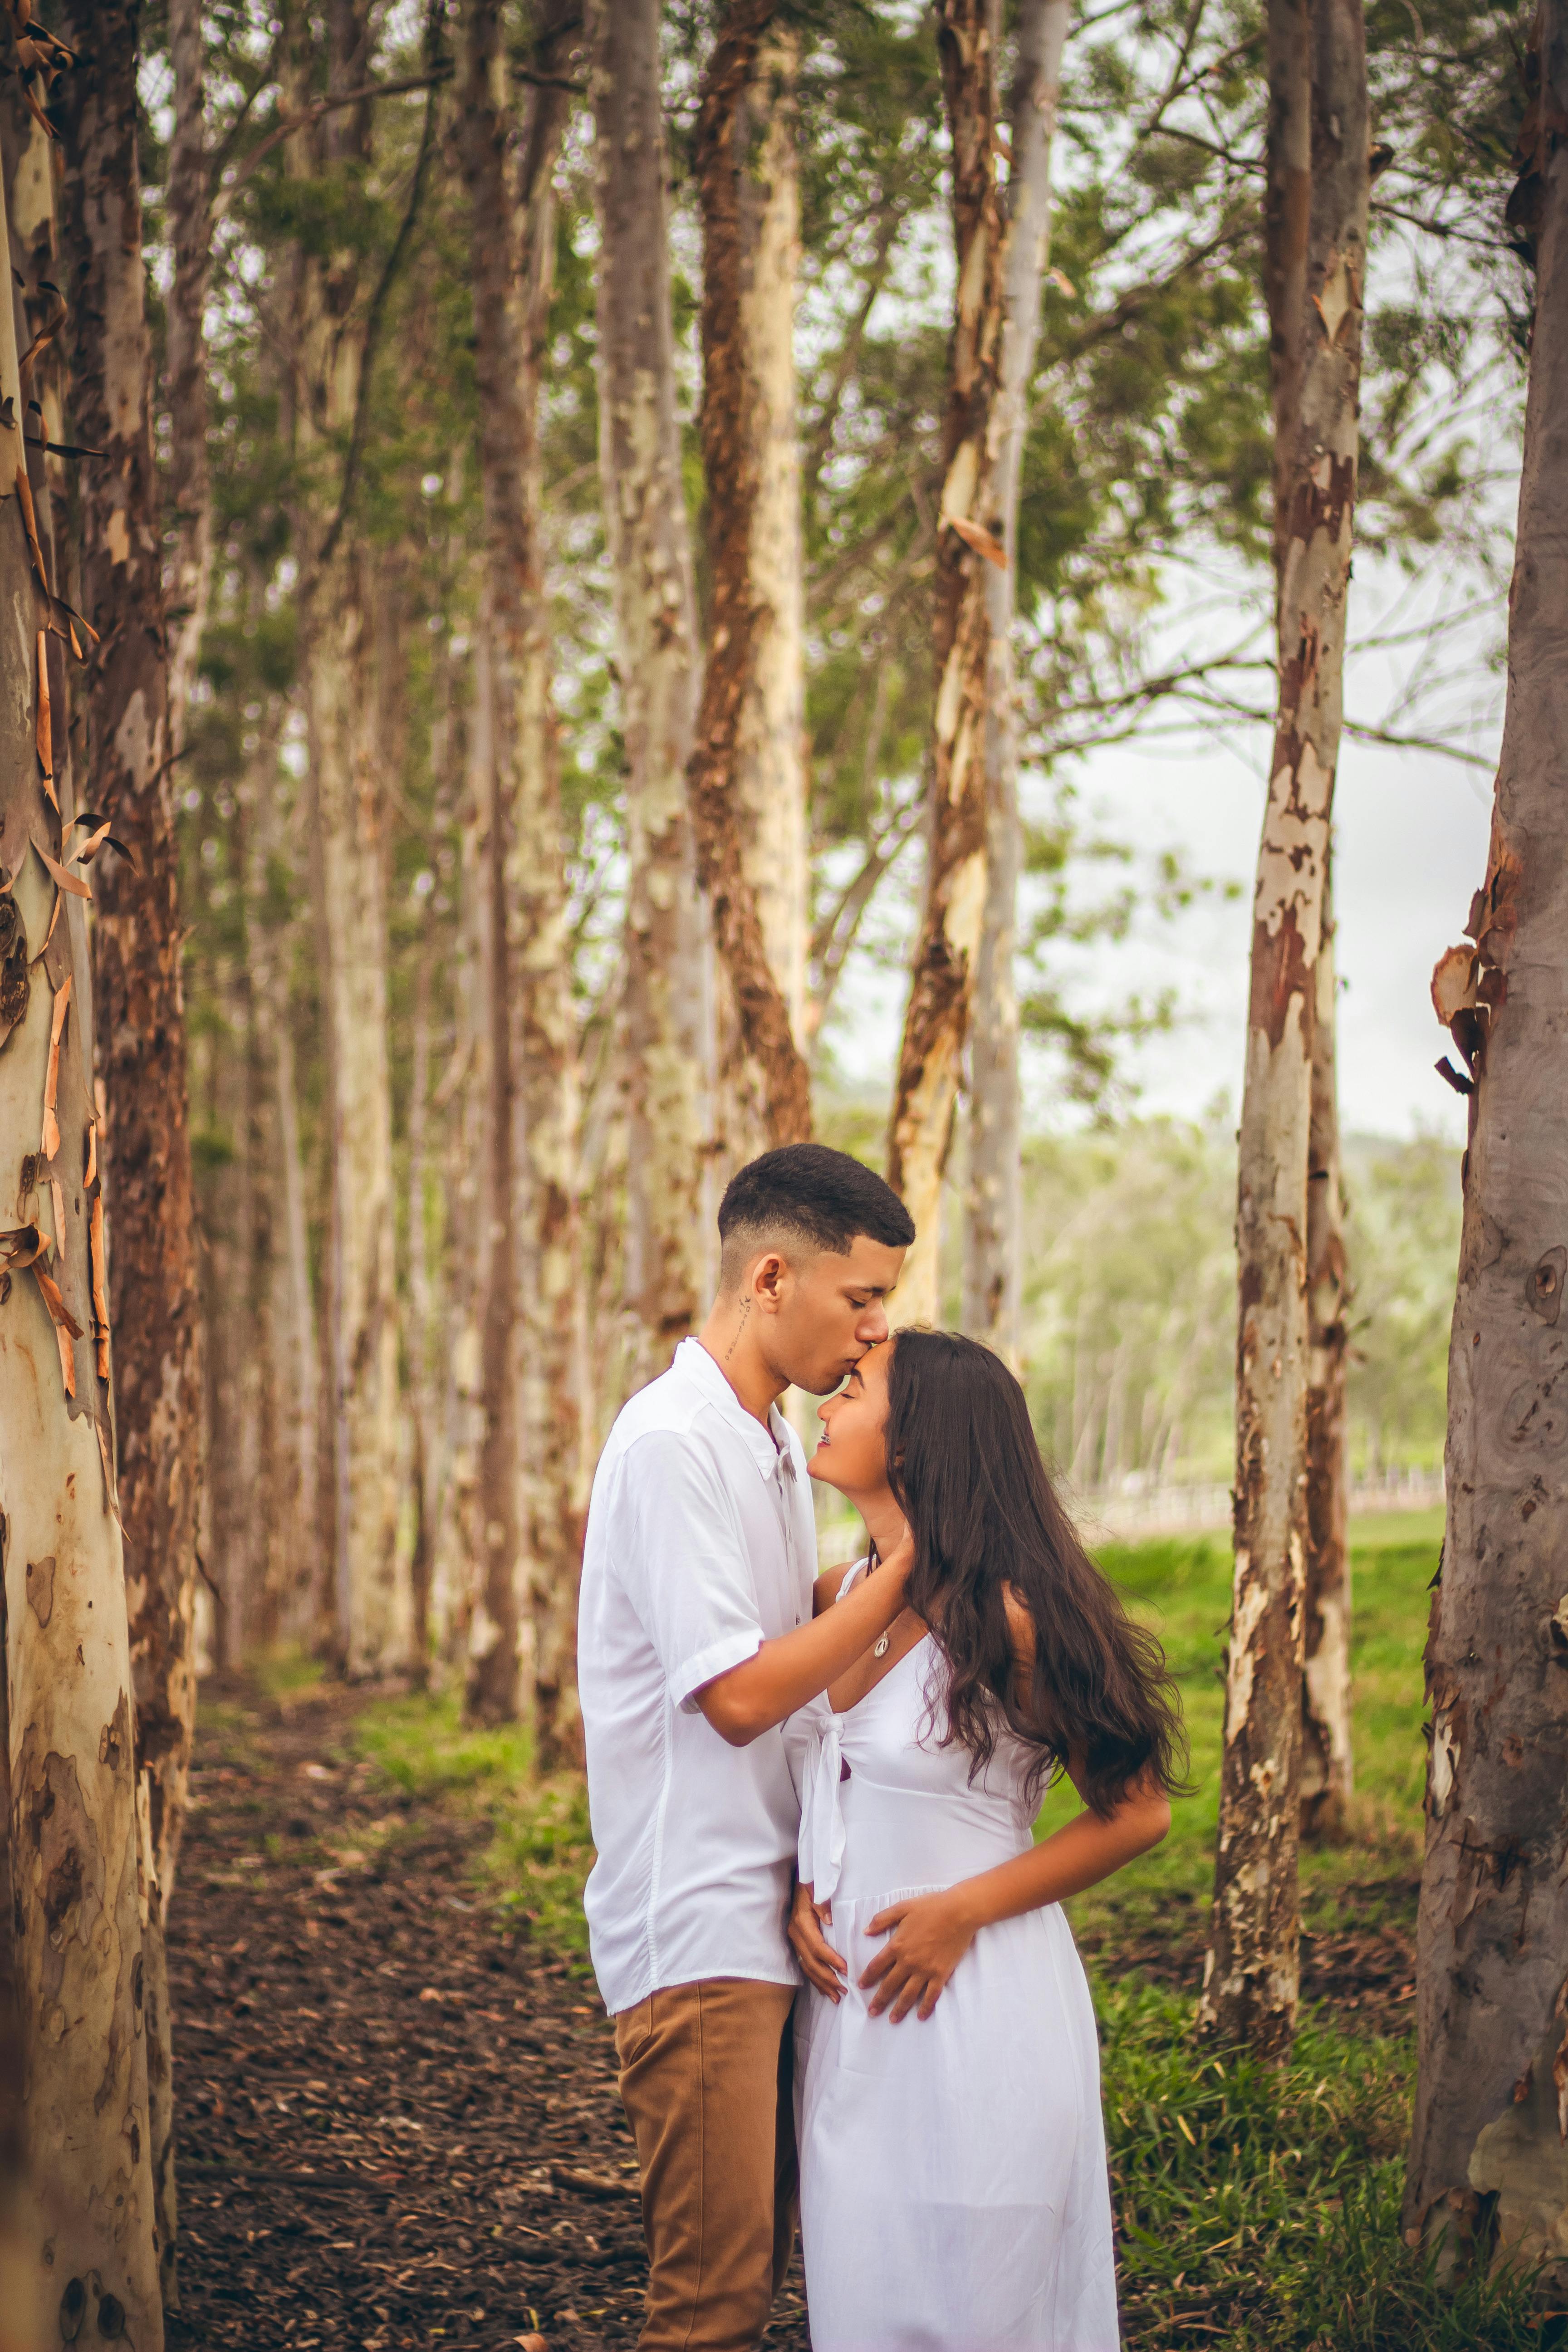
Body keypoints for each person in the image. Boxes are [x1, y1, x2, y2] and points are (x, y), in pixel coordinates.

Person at [578, 1143, 917, 2352]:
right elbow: (732, 1695)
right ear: (771, 1278)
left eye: (886, 1302)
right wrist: (911, 1574)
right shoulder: (674, 1442)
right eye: (862, 1297)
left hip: (757, 1911)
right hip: (695, 1923)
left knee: (752, 2281)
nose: (878, 1333)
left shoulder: (765, 1440)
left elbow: (783, 1635)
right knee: (711, 2306)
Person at [789, 1328, 1185, 2352]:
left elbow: (1139, 1811)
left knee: (979, 2306)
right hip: (849, 2020)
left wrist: (963, 1910)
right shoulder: (834, 1597)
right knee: (862, 2300)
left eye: (854, 1389)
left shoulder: (1014, 1616)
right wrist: (804, 1882)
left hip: (977, 2007)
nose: (826, 1404)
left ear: (917, 1440)